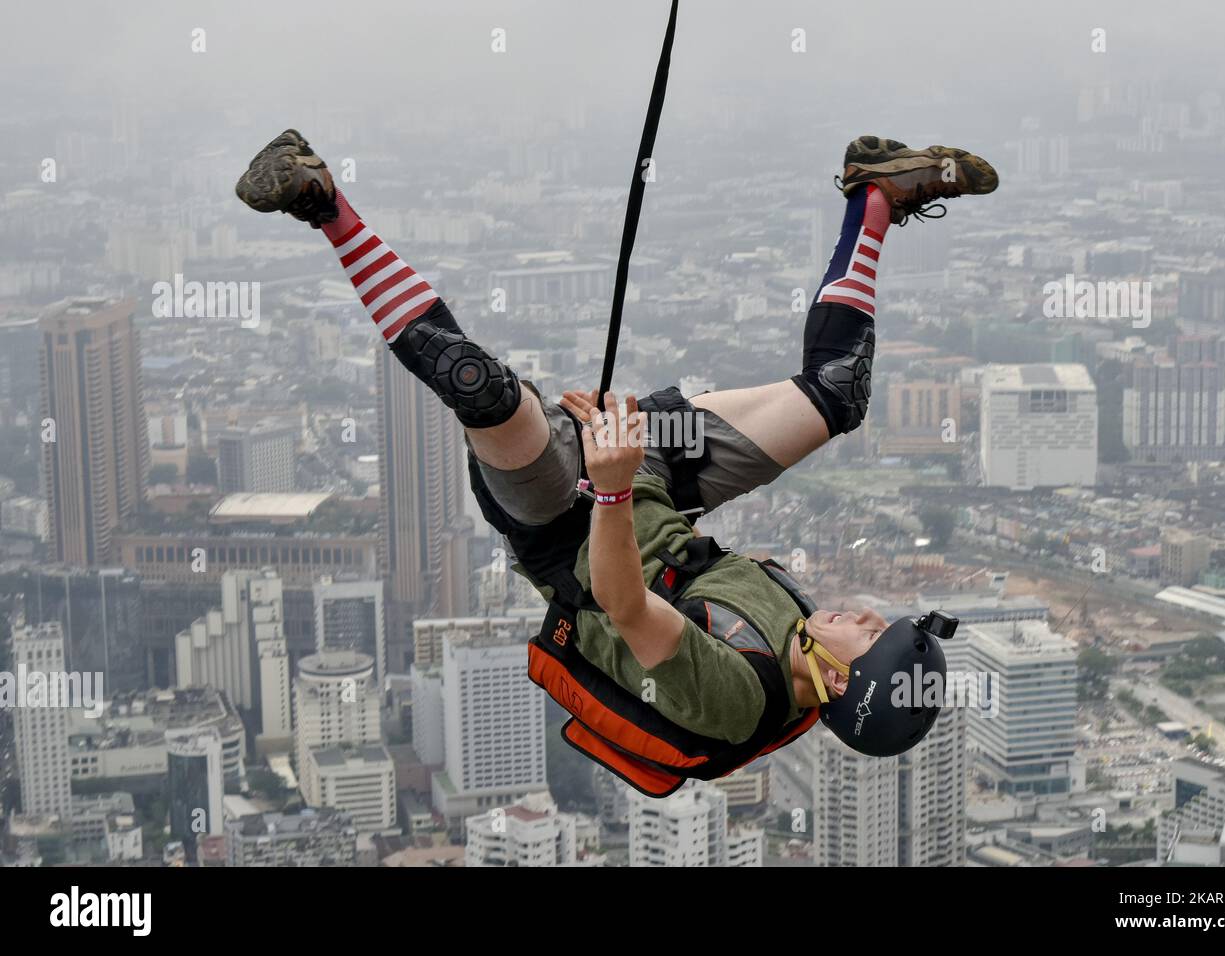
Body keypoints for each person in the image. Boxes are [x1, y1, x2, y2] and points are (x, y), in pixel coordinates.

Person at [235, 129, 996, 795]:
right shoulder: (801, 629)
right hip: (651, 475)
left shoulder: (736, 700)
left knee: (482, 390)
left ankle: (321, 200)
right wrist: (634, 456)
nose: (864, 614)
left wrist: (607, 482)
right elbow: (694, 558)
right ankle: (874, 194)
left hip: (570, 521)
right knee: (837, 393)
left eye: (870, 634)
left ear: (839, 682)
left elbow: (625, 605)